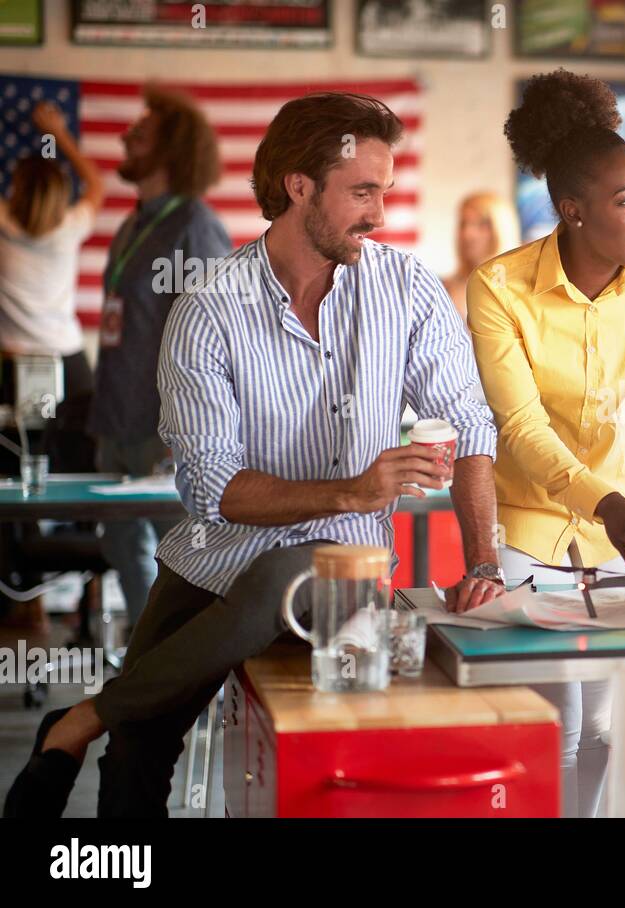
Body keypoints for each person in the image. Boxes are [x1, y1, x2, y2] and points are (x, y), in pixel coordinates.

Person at [5, 91, 505, 819]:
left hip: (339, 572)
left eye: (384, 191)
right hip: (216, 552)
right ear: (299, 185)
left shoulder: (406, 289)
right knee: (140, 749)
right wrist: (352, 490)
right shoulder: (208, 308)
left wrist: (484, 559)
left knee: (295, 563)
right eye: (362, 192)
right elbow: (214, 492)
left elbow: (472, 426)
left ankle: (79, 718)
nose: (379, 213)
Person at [465, 69, 625, 818]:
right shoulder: (499, 288)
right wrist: (600, 500)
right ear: (571, 210)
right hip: (529, 530)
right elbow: (520, 426)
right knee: (557, 722)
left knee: (609, 722)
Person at [86, 85, 232, 638]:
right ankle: (148, 675)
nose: (124, 137)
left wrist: (191, 428)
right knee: (123, 549)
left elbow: (216, 338)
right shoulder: (132, 223)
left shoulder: (195, 227)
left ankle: (181, 683)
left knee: (183, 563)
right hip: (118, 422)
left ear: (172, 150)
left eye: (139, 134)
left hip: (165, 432)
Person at [0, 101, 105, 474]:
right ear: (61, 195)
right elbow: (96, 184)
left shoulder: (4, 224)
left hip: (12, 364)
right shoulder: (70, 226)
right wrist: (57, 133)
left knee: (11, 474)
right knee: (75, 466)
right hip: (68, 360)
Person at [440, 191, 520, 319]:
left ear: (501, 228)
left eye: (482, 224)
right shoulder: (442, 288)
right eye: (463, 224)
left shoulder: (523, 289)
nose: (468, 233)